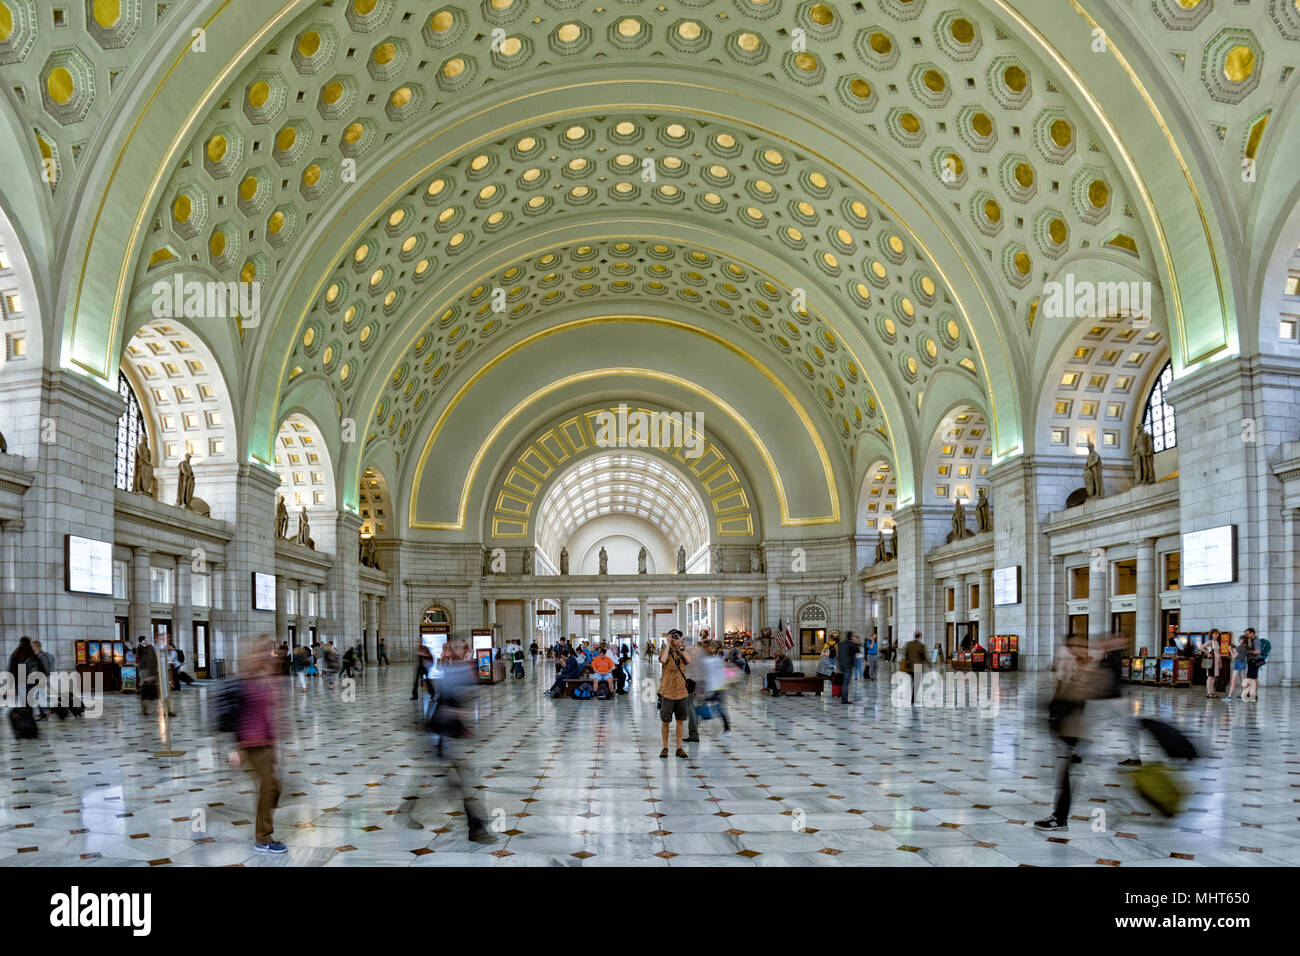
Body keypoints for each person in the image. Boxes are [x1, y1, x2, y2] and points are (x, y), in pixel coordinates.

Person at [417, 639, 495, 844]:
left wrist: (470, 722)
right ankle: (476, 828)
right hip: (443, 735)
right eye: (461, 648)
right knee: (462, 784)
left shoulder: (463, 673)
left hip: (450, 734)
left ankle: (406, 811)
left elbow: (460, 701)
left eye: (465, 648)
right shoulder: (453, 674)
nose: (465, 652)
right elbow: (447, 708)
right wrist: (470, 714)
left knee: (449, 782)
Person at [228, 637, 288, 853]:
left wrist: (275, 742)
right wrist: (236, 747)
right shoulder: (244, 681)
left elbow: (269, 714)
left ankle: (262, 830)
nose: (268, 654)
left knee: (275, 788)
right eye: (264, 650)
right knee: (267, 788)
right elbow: (235, 714)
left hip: (266, 742)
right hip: (250, 743)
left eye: (269, 650)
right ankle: (263, 838)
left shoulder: (267, 678)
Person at [1036, 634, 1088, 831]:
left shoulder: (1087, 673)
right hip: (1070, 729)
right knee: (1065, 774)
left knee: (1067, 775)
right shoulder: (1075, 670)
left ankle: (1060, 818)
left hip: (1079, 732)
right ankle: (1059, 816)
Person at [657, 629, 693, 758]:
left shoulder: (683, 651)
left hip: (681, 692)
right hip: (667, 692)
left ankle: (679, 747)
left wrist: (681, 647)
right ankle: (665, 747)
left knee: (680, 721)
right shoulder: (664, 650)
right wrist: (668, 644)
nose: (676, 639)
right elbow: (663, 660)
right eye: (674, 637)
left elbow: (689, 661)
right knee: (665, 721)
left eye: (678, 637)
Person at [698, 641, 732, 737]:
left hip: (715, 688)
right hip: (720, 687)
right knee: (718, 707)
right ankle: (727, 729)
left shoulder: (708, 661)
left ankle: (727, 729)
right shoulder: (717, 659)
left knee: (703, 705)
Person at [137, 635, 162, 716]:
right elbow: (141, 657)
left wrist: (156, 667)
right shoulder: (140, 648)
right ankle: (145, 706)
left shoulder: (150, 647)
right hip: (144, 668)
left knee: (151, 685)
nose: (146, 641)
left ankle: (150, 704)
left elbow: (154, 657)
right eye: (144, 640)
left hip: (152, 668)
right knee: (146, 685)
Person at [902, 630, 928, 705]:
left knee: (912, 681)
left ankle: (909, 696)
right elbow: (924, 656)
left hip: (909, 666)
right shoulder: (921, 645)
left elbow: (905, 654)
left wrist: (907, 661)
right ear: (920, 636)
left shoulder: (908, 644)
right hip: (917, 666)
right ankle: (913, 699)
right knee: (916, 683)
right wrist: (929, 664)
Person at [31, 640, 53, 719]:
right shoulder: (36, 655)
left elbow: (46, 668)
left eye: (33, 646)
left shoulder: (42, 656)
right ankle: (44, 712)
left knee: (37, 696)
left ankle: (45, 711)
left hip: (41, 679)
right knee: (39, 696)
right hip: (36, 679)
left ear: (37, 647)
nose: (32, 647)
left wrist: (43, 677)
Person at [837, 631, 859, 704]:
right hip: (848, 666)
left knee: (844, 683)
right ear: (851, 637)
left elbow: (839, 655)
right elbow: (857, 650)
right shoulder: (851, 644)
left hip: (842, 666)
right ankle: (844, 700)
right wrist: (856, 642)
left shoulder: (841, 644)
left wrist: (839, 665)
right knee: (846, 684)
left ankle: (843, 698)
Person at [1225, 635, 1250, 701]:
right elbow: (1241, 654)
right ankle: (1243, 696)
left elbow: (1234, 656)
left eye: (1240, 639)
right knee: (1243, 681)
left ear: (1242, 640)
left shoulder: (1239, 647)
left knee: (1233, 681)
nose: (1239, 640)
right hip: (1243, 664)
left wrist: (1230, 650)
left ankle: (1229, 696)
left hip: (1238, 664)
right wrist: (1235, 648)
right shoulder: (1247, 647)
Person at [1201, 631, 1222, 699]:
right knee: (1210, 676)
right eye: (1215, 634)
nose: (1217, 635)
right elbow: (1201, 647)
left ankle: (1212, 692)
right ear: (1212, 635)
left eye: (1217, 634)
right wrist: (1207, 652)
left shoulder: (1217, 642)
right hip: (1211, 661)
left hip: (1217, 661)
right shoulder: (1210, 642)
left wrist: (1220, 662)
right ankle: (1208, 692)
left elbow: (1219, 652)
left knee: (1214, 676)